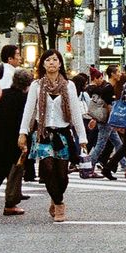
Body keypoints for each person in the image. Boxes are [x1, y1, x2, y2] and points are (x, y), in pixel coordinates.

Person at [17, 52, 87, 223]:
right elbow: (28, 110)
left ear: (60, 64)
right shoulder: (36, 85)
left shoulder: (69, 85)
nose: (51, 63)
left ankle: (54, 198)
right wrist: (23, 132)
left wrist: (82, 137)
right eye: (47, 60)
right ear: (43, 64)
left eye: (55, 59)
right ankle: (59, 204)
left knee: (62, 175)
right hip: (43, 134)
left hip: (63, 134)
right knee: (47, 169)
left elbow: (76, 113)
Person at [0, 69, 31, 216]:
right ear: (27, 84)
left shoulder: (2, 93)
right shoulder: (24, 99)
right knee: (14, 170)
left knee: (2, 167)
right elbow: (25, 120)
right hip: (14, 139)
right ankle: (9, 204)